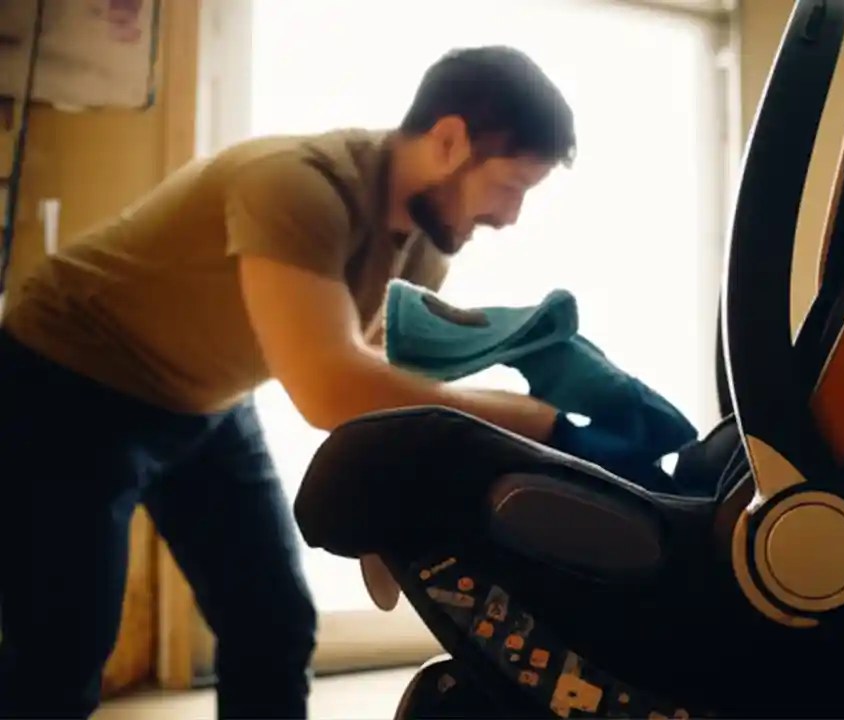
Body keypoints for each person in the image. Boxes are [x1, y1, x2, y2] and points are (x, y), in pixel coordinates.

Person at [0, 45, 577, 719]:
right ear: (449, 141)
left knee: (273, 622)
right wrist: (538, 423)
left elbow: (382, 394)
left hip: (206, 400)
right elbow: (331, 388)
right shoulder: (294, 183)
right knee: (62, 649)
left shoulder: (425, 244)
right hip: (64, 379)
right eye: (510, 187)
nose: (510, 218)